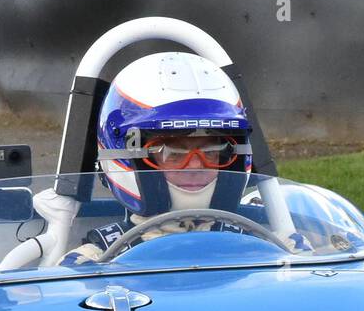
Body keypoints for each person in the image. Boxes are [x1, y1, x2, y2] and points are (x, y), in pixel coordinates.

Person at [63, 51, 258, 264]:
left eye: (212, 152)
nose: (195, 165)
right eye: (173, 153)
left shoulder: (261, 248)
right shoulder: (94, 259)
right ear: (130, 158)